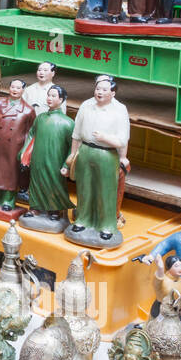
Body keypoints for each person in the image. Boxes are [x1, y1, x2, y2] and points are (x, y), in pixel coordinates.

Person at [62, 75, 129, 244]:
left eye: (104, 90)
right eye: (98, 89)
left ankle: (106, 225)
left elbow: (122, 139)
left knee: (106, 190)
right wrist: (73, 153)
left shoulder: (119, 110)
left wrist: (106, 138)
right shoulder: (86, 105)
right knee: (84, 188)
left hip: (106, 154)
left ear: (113, 93)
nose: (99, 92)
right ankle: (83, 220)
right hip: (85, 150)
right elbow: (76, 133)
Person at [22, 84, 73, 228]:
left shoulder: (68, 123)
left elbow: (72, 147)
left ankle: (54, 208)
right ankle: (36, 207)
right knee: (36, 181)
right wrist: (25, 154)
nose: (49, 98)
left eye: (53, 96)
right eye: (48, 95)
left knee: (54, 182)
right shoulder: (40, 118)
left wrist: (66, 165)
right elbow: (32, 135)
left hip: (55, 159)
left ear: (61, 99)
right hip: (38, 157)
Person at [0, 76, 35, 210]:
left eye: (18, 88)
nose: (15, 90)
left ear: (23, 90)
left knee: (11, 173)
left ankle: (8, 200)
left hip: (14, 147)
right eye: (12, 87)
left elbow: (30, 132)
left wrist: (26, 150)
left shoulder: (28, 110)